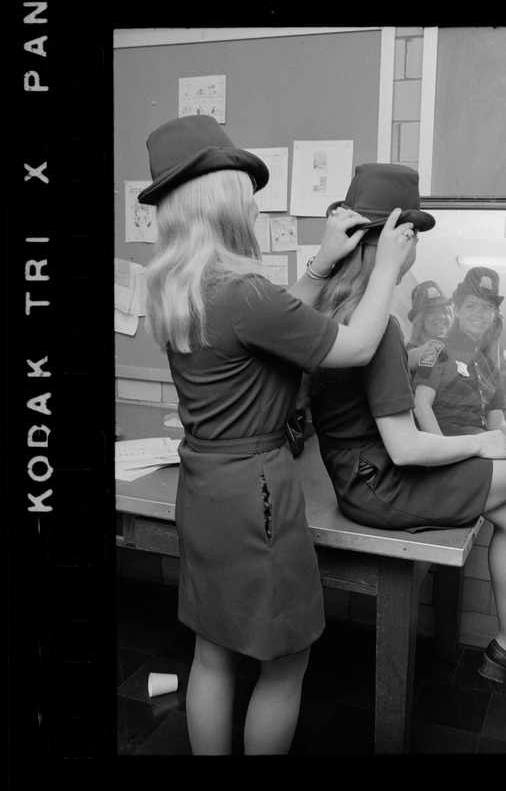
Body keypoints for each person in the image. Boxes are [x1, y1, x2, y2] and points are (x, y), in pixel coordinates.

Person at [140, 117, 416, 754]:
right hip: (256, 498)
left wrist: (319, 265)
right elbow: (357, 344)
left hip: (205, 489)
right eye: (247, 194)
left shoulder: (181, 288)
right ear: (226, 203)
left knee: (213, 653)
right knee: (285, 663)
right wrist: (385, 271)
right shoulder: (244, 292)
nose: (255, 207)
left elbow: (268, 326)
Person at [308, 163, 506, 702]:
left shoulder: (333, 306)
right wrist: (480, 443)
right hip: (381, 484)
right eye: (414, 234)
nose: (416, 247)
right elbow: (403, 443)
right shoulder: (379, 326)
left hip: (363, 475)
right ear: (400, 239)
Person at [413, 267, 506, 444]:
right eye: (471, 306)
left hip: (481, 444)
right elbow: (421, 404)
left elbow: (497, 424)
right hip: (452, 443)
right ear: (457, 311)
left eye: (488, 308)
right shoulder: (438, 348)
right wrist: (442, 450)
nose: (480, 314)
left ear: (494, 315)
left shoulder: (489, 368)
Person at [404, 280, 453, 372]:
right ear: (420, 319)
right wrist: (435, 346)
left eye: (445, 311)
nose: (441, 316)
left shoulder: (455, 353)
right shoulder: (406, 351)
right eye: (433, 312)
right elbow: (406, 361)